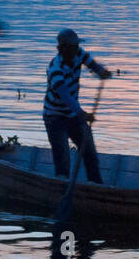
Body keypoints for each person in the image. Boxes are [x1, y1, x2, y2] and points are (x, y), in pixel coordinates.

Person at [43, 28, 111, 184]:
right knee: (63, 159)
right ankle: (61, 186)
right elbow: (65, 96)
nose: (76, 49)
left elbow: (91, 64)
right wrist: (81, 113)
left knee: (89, 152)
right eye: (73, 46)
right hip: (54, 118)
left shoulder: (78, 54)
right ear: (64, 48)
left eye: (76, 46)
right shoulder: (55, 69)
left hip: (73, 116)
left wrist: (101, 72)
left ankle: (96, 185)